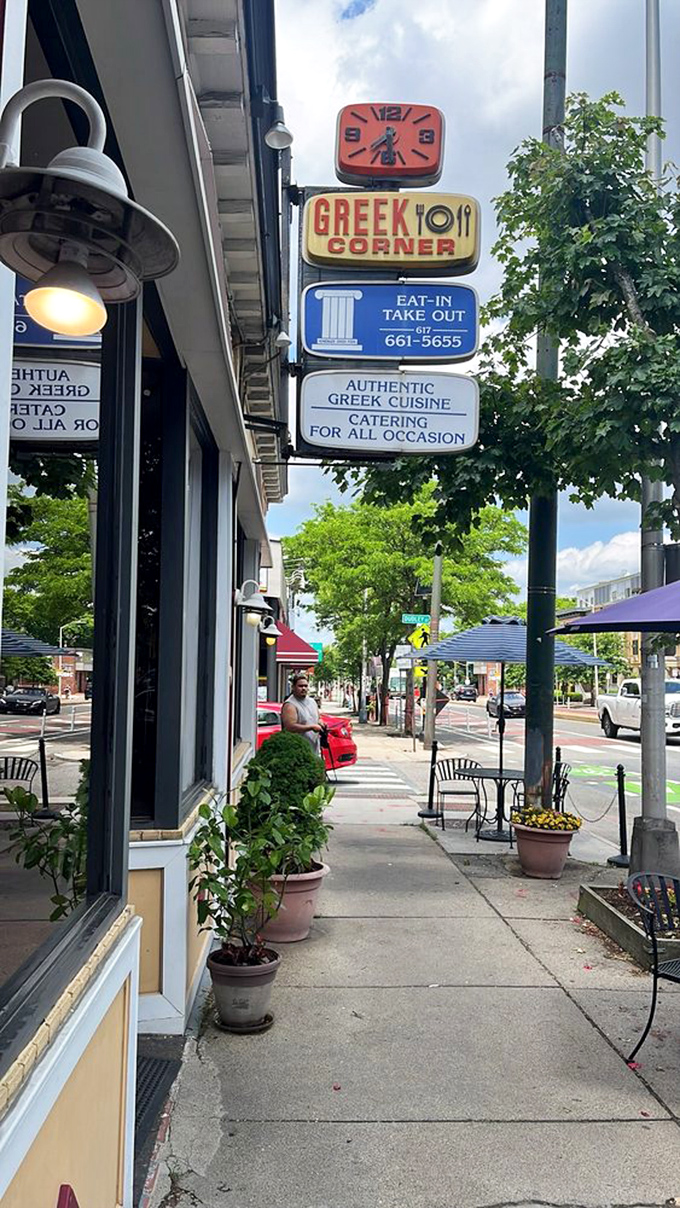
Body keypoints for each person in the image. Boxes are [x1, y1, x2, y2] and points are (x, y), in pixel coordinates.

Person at [281, 672, 323, 754]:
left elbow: (318, 718)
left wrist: (321, 723)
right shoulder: (290, 705)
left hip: (314, 749)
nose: (303, 688)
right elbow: (290, 727)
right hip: (297, 750)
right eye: (300, 686)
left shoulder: (312, 701)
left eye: (305, 686)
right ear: (293, 687)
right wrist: (311, 727)